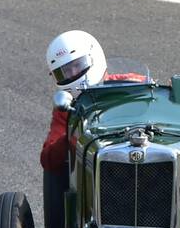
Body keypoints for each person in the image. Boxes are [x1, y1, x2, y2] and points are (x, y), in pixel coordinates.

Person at [39, 30, 147, 172]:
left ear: (94, 58)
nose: (73, 74)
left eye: (77, 65)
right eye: (65, 71)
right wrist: (71, 135)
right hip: (94, 170)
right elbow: (49, 160)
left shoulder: (134, 85)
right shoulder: (66, 107)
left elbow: (157, 96)